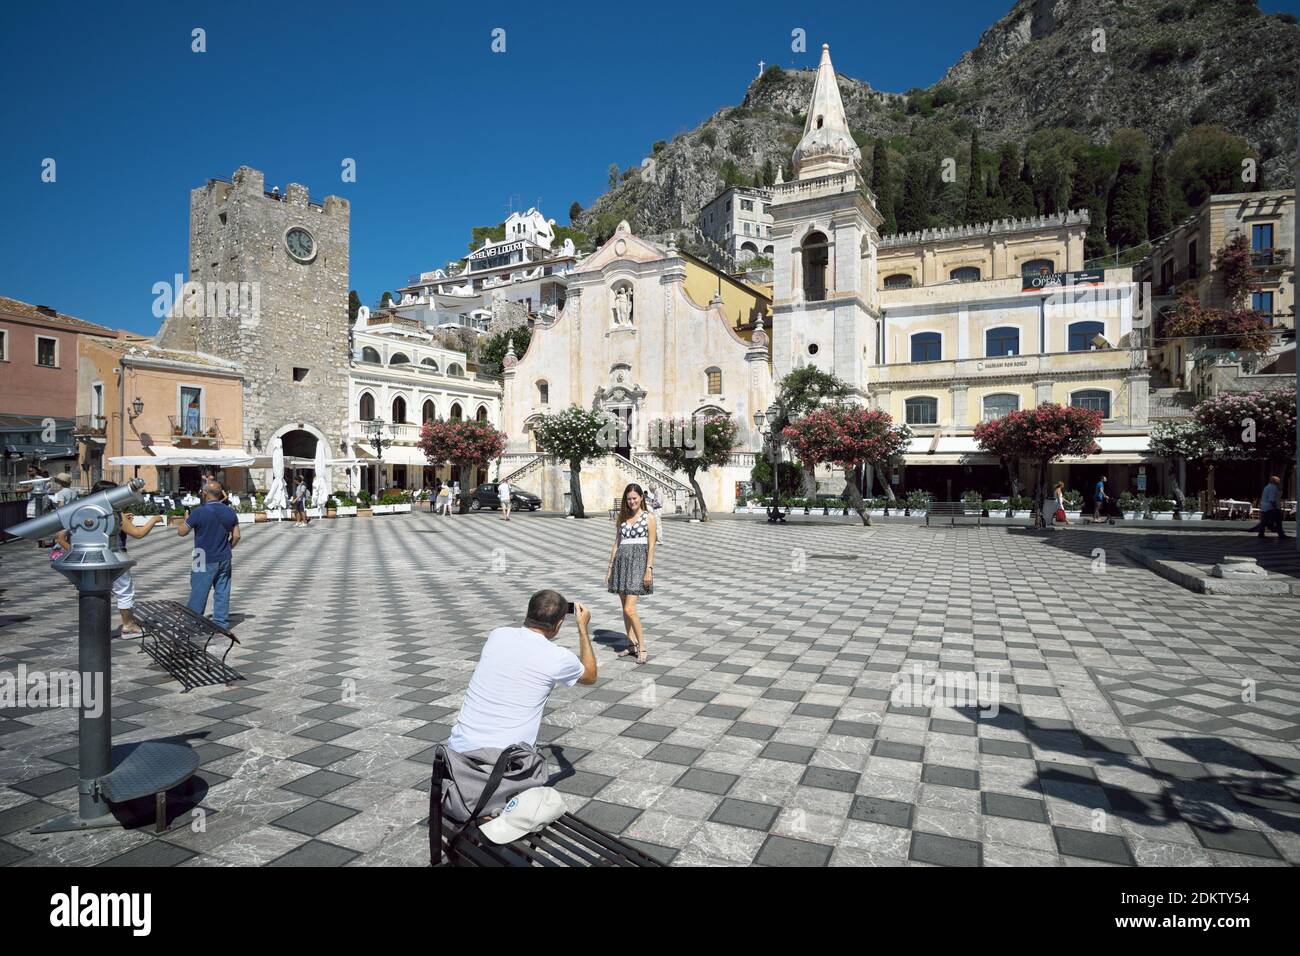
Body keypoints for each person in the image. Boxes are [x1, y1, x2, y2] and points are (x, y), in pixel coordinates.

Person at [447, 591, 596, 755]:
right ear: (559, 625)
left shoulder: (497, 635)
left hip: (456, 751)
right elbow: (590, 676)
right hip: (507, 760)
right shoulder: (558, 657)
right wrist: (583, 628)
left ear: (527, 613)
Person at [55, 480, 161, 635]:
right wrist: (154, 520)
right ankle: (128, 624)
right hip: (115, 558)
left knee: (94, 592)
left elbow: (60, 537)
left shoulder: (86, 512)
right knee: (125, 591)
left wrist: (74, 553)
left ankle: (93, 628)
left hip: (91, 559)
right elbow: (138, 534)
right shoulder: (113, 513)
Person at [177, 480, 240, 629]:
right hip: (224, 556)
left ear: (204, 494)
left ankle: (192, 622)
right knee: (222, 590)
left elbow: (181, 532)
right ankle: (221, 622)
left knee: (199, 590)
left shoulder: (198, 512)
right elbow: (237, 536)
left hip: (201, 556)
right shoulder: (230, 512)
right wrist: (227, 547)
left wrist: (186, 520)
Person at [605, 483, 656, 664]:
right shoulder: (623, 518)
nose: (632, 501)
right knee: (624, 609)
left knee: (630, 608)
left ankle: (642, 646)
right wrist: (610, 568)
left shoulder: (648, 517)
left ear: (641, 498)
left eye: (634, 498)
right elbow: (616, 544)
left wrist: (648, 569)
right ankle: (631, 644)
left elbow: (651, 545)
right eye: (629, 499)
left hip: (638, 564)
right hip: (621, 564)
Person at [1249, 475, 1288, 540]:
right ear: (1275, 481)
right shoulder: (1273, 488)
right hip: (1271, 508)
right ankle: (1281, 534)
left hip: (1264, 507)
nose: (1279, 482)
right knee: (1278, 521)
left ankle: (1261, 533)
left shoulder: (1267, 487)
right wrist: (1275, 508)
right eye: (1278, 480)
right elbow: (1272, 499)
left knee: (1264, 522)